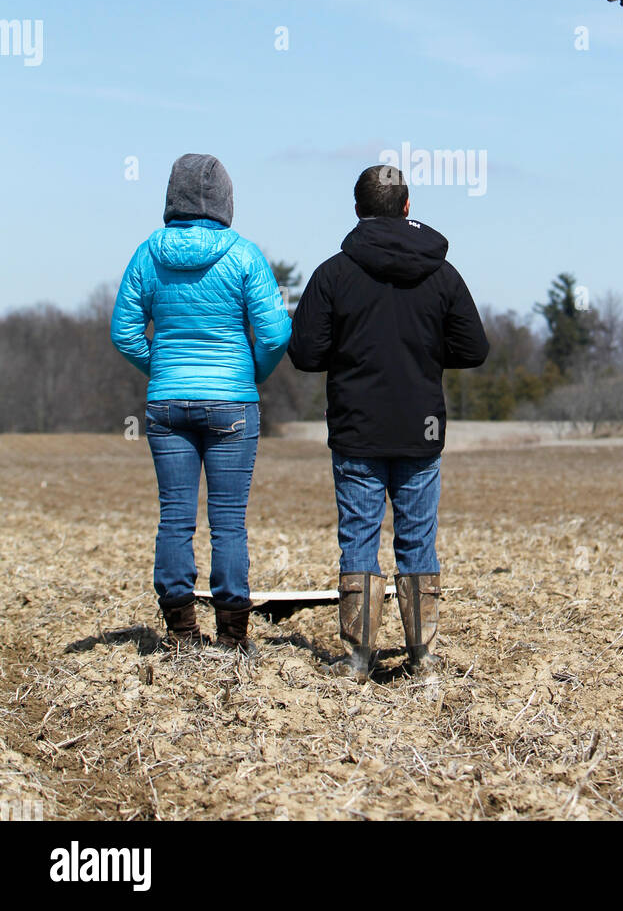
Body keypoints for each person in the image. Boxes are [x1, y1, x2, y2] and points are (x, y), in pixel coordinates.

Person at [288, 164, 489, 682]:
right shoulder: (442, 274)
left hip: (356, 427)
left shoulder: (333, 274)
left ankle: (358, 658)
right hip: (420, 428)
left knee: (358, 537)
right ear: (406, 207)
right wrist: (424, 351)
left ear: (358, 210)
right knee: (418, 539)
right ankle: (422, 658)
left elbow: (306, 354)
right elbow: (474, 349)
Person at [110, 154, 291, 653]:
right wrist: (248, 375)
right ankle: (234, 637)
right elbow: (276, 334)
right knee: (229, 519)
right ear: (227, 201)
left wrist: (162, 370)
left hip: (167, 405)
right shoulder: (246, 254)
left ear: (172, 199)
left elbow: (124, 334)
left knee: (175, 516)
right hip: (232, 403)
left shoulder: (148, 253)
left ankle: (182, 632)